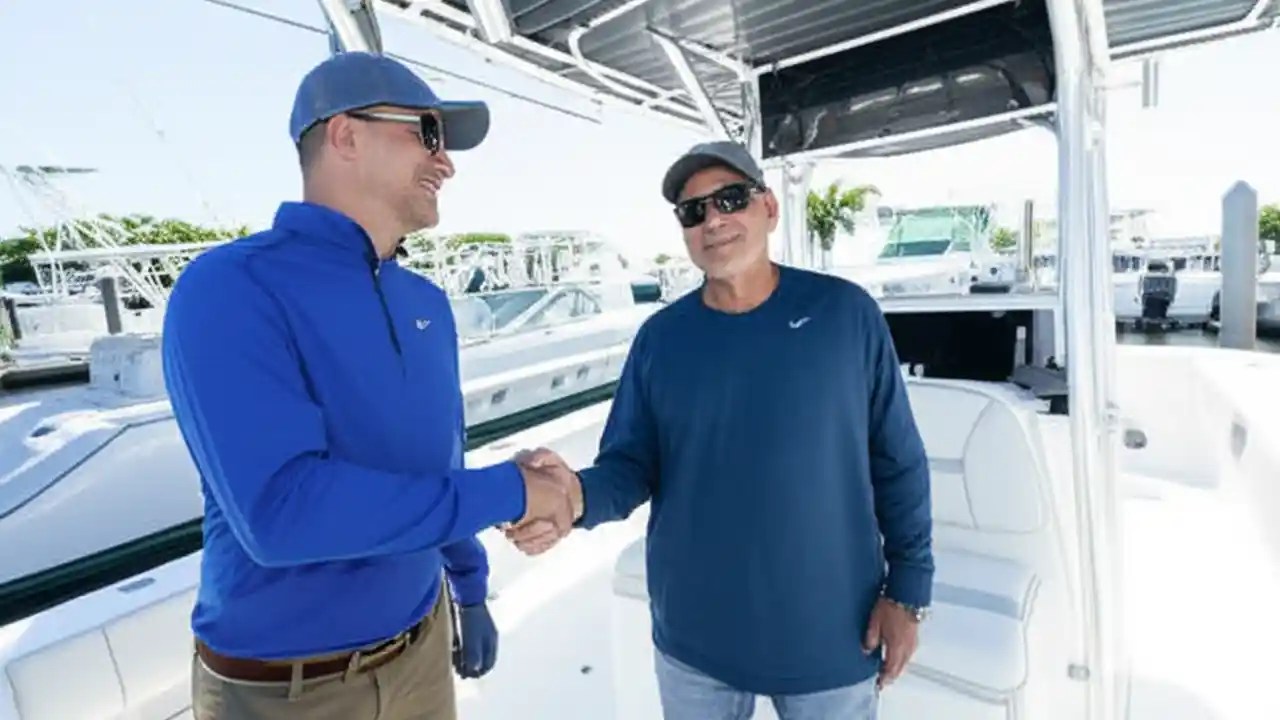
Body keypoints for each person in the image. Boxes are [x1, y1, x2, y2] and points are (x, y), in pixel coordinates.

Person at [162, 51, 575, 720]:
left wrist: (468, 587)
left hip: (421, 650)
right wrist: (513, 489)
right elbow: (281, 514)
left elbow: (428, 470)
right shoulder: (231, 289)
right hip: (286, 692)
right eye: (428, 134)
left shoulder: (428, 305)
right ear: (345, 135)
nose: (447, 162)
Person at [507, 140, 934, 720]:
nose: (713, 220)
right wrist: (573, 497)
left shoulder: (846, 314)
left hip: (831, 631)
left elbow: (897, 460)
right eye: (693, 211)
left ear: (768, 207)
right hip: (694, 640)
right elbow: (630, 465)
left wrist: (908, 591)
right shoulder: (661, 339)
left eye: (730, 199)